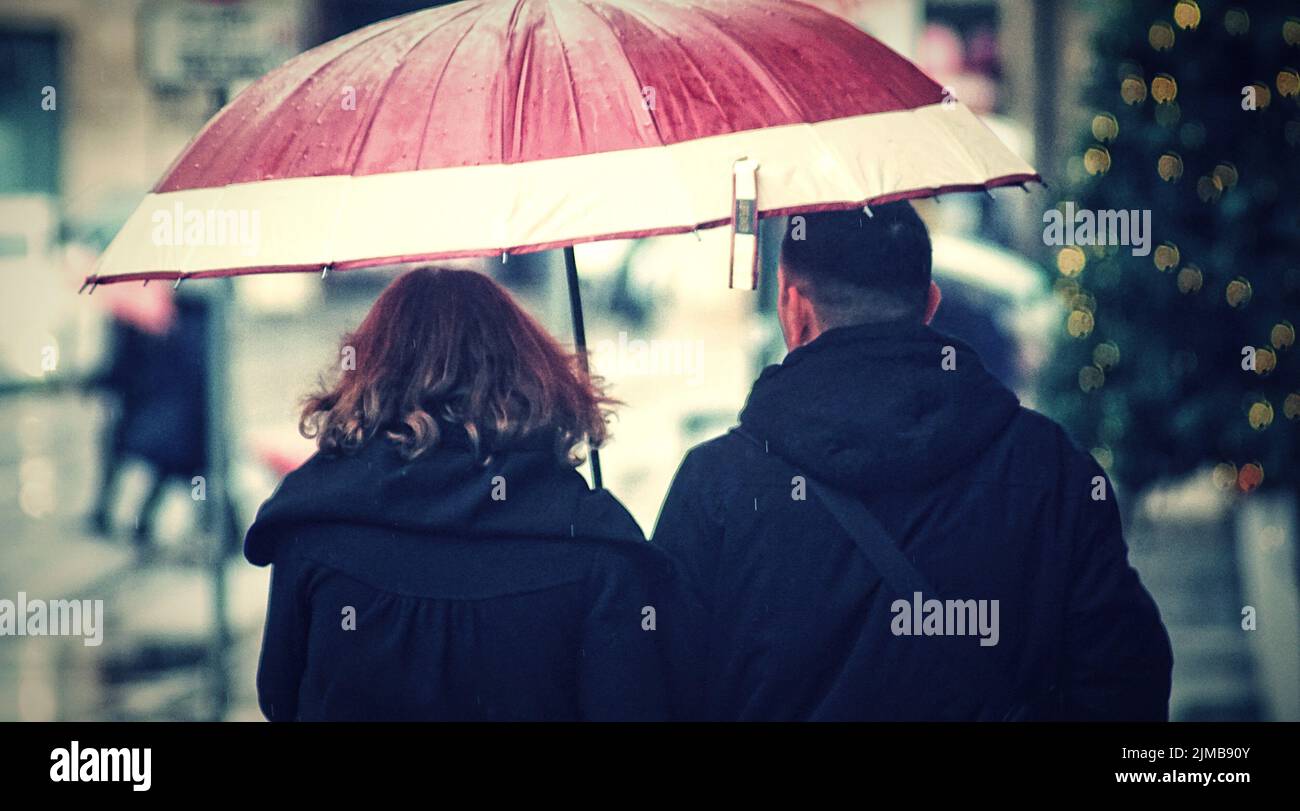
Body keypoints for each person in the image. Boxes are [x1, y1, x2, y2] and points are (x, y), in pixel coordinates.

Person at [652, 203, 1172, 721]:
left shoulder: (715, 486)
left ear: (793, 307)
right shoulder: (1051, 468)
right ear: (930, 303)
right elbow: (1126, 682)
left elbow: (662, 690)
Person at [246, 267, 680, 721]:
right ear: (529, 374)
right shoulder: (597, 548)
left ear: (371, 374)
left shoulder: (313, 526)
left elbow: (280, 697)